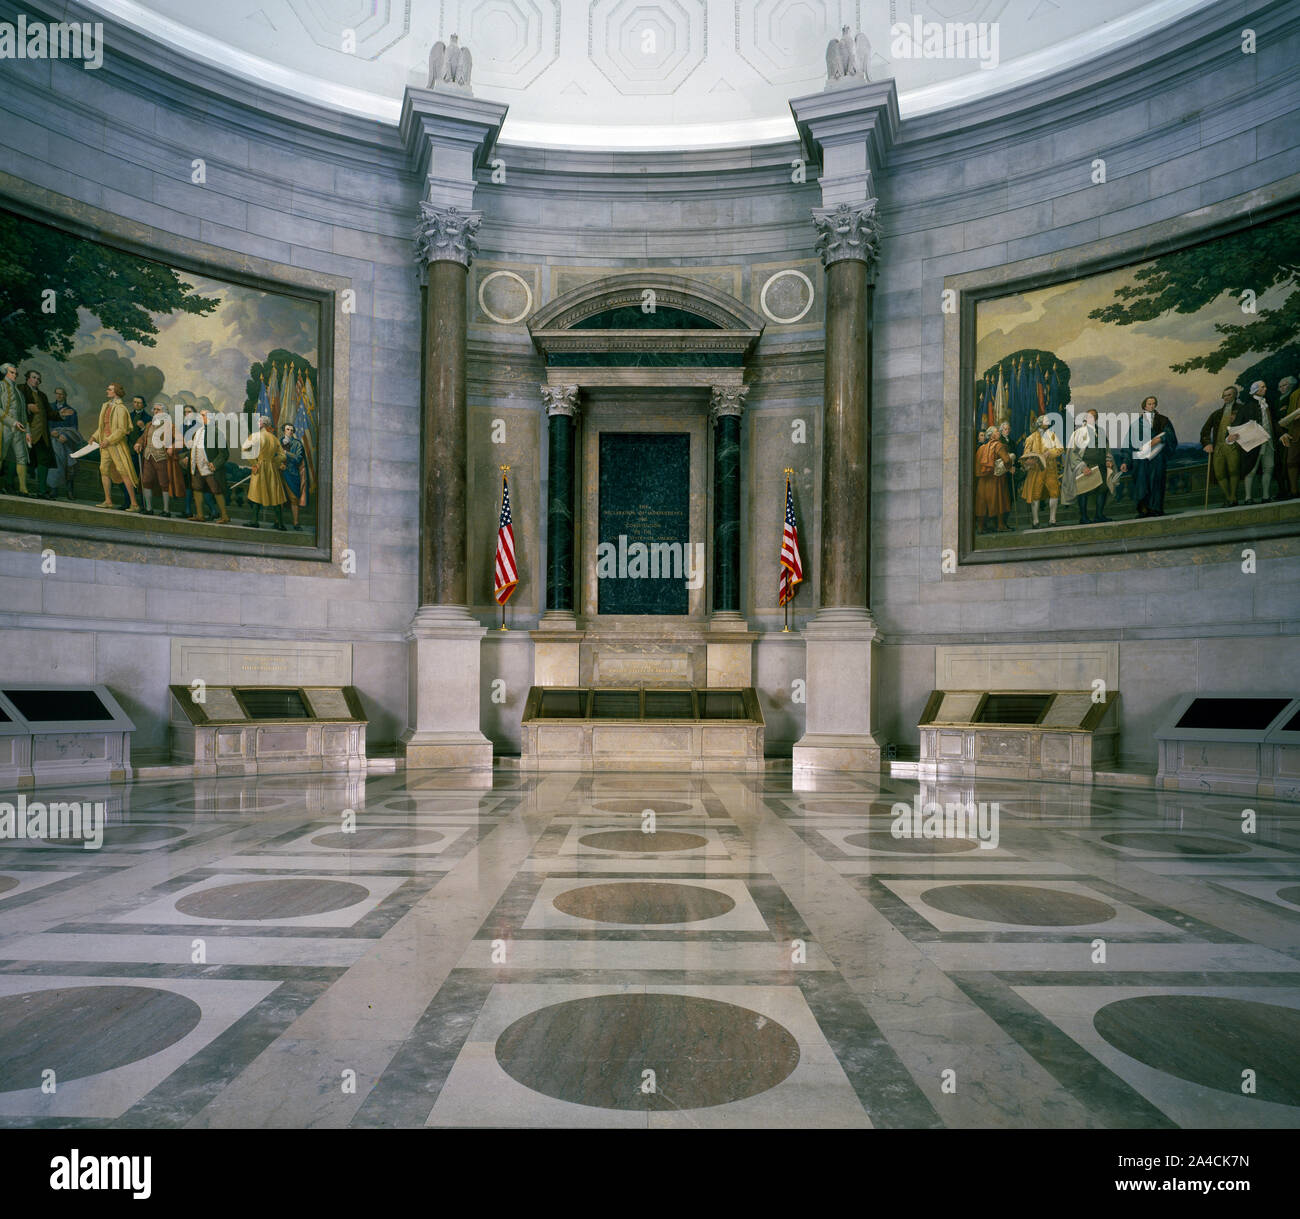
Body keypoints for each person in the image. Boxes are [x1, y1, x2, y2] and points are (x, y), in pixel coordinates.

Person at [89, 382, 140, 512]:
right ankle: (108, 501)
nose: (107, 391)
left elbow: (122, 430)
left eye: (110, 389)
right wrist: (94, 437)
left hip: (116, 444)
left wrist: (108, 440)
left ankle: (134, 504)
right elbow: (103, 426)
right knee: (104, 469)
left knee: (123, 471)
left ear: (116, 392)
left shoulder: (121, 408)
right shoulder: (106, 406)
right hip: (105, 445)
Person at [1125, 395, 1177, 517]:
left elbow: (1170, 435)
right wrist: (1126, 461)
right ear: (1144, 406)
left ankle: (1156, 508)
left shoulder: (1163, 420)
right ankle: (1143, 509)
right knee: (1142, 484)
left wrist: (1160, 439)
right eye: (1149, 404)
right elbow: (1128, 444)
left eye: (1154, 403)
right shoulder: (1137, 423)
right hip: (1141, 460)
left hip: (1157, 457)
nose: (1152, 406)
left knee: (1157, 482)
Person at [135, 400, 185, 517]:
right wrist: (138, 444)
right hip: (148, 457)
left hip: (162, 458)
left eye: (159, 410)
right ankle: (149, 508)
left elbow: (180, 441)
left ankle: (166, 510)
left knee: (164, 484)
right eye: (155, 410)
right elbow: (143, 438)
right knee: (146, 482)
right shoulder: (149, 425)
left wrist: (172, 448)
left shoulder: (170, 426)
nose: (156, 412)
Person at [1199, 386, 1246, 508]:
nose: (1226, 398)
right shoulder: (1217, 414)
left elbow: (1249, 427)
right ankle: (1229, 497)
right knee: (1219, 473)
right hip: (1218, 447)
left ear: (1235, 395)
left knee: (1233, 471)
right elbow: (1204, 431)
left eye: (1229, 395)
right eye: (1224, 396)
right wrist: (1207, 443)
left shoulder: (1242, 410)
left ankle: (1233, 498)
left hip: (1234, 447)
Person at [187, 406, 230, 524]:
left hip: (210, 468)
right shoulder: (198, 431)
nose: (201, 417)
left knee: (217, 490)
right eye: (200, 415)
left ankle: (225, 516)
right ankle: (200, 515)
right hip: (197, 466)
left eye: (203, 415)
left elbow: (224, 453)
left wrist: (215, 464)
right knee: (197, 489)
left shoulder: (216, 432)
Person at [244, 416, 288, 529]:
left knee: (256, 494)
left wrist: (254, 463)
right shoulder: (274, 438)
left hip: (259, 468)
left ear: (262, 424)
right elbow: (283, 455)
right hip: (272, 469)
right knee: (275, 495)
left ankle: (254, 521)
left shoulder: (255, 436)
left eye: (259, 421)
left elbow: (244, 449)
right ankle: (280, 523)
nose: (257, 423)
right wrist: (274, 462)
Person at [1020, 414, 1062, 527]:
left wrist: (1050, 453)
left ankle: (1052, 520)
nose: (1048, 422)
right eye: (1046, 420)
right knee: (1035, 495)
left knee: (1054, 493)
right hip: (1036, 470)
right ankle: (1035, 521)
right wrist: (1032, 459)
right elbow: (1025, 454)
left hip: (1051, 469)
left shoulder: (1052, 435)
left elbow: (1060, 449)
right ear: (1040, 423)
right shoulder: (1031, 438)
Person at [1241, 379, 1278, 504]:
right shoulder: (1247, 407)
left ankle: (1266, 496)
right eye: (1262, 387)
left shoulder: (1268, 404)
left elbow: (1273, 422)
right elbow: (1238, 425)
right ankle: (1248, 498)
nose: (1265, 389)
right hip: (1255, 442)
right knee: (1251, 469)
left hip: (1269, 441)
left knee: (1269, 467)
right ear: (1255, 390)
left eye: (1265, 386)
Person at [19, 370, 55, 498]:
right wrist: (27, 408)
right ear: (28, 378)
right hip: (25, 431)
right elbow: (14, 407)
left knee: (44, 460)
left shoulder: (42, 395)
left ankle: (42, 491)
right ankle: (13, 487)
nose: (36, 380)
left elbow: (49, 413)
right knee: (19, 458)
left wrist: (60, 415)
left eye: (38, 379)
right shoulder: (20, 389)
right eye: (34, 377)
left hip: (41, 434)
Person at [974, 424, 1014, 533]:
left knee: (982, 503)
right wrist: (1010, 467)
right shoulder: (998, 445)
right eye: (997, 432)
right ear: (991, 435)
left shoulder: (981, 448)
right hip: (996, 479)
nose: (999, 433)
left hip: (983, 481)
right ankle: (1000, 525)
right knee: (1000, 501)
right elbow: (1006, 460)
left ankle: (981, 527)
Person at [46, 387, 85, 500]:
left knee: (70, 464)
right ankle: (53, 490)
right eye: (57, 394)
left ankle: (69, 491)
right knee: (55, 464)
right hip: (53, 440)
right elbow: (45, 423)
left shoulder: (71, 411)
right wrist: (51, 432)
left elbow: (74, 428)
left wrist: (66, 435)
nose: (59, 396)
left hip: (66, 442)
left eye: (61, 394)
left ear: (65, 396)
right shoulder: (50, 408)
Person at [0, 362, 31, 496]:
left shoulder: (19, 392)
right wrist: (12, 422)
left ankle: (23, 489)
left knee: (22, 457)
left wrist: (28, 432)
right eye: (12, 372)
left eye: (16, 373)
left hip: (19, 429)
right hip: (4, 426)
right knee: (1, 455)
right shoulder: (1, 386)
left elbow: (23, 414)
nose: (14, 375)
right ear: (5, 372)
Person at [280, 421, 308, 531]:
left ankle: (296, 523)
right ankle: (278, 522)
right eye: (288, 429)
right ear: (284, 430)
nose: (290, 431)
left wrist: (286, 453)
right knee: (279, 499)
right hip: (279, 473)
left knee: (294, 499)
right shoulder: (278, 442)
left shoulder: (297, 444)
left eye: (292, 430)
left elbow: (298, 459)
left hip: (292, 474)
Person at [1278, 374, 1300, 498]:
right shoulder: (1295, 394)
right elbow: (1290, 415)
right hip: (1295, 433)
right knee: (1291, 461)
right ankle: (1294, 490)